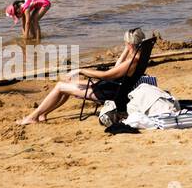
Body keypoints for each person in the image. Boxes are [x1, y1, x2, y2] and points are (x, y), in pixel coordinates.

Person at [18, 28, 147, 124]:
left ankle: (33, 116)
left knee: (60, 87)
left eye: (126, 43)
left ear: (129, 44)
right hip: (114, 87)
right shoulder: (138, 57)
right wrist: (127, 49)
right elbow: (117, 67)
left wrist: (81, 70)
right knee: (66, 85)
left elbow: (106, 75)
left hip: (108, 91)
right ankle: (43, 114)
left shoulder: (132, 61)